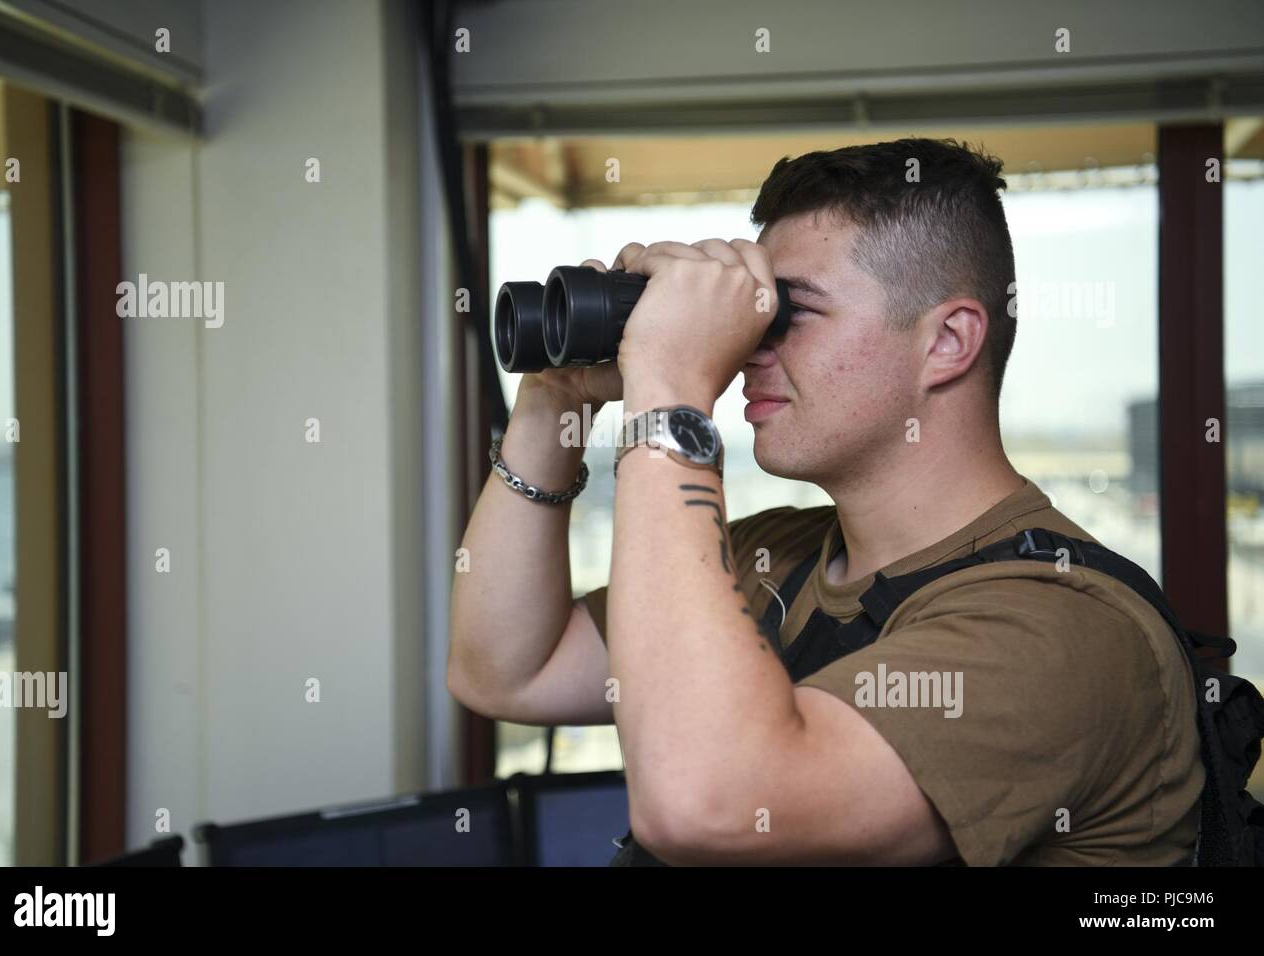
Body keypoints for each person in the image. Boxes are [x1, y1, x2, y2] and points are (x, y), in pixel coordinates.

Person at [447, 137, 1202, 866]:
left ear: (948, 341)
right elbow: (510, 670)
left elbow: (707, 807)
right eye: (750, 312)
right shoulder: (774, 558)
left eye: (788, 313)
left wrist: (672, 388)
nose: (748, 348)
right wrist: (555, 400)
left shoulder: (1060, 630)